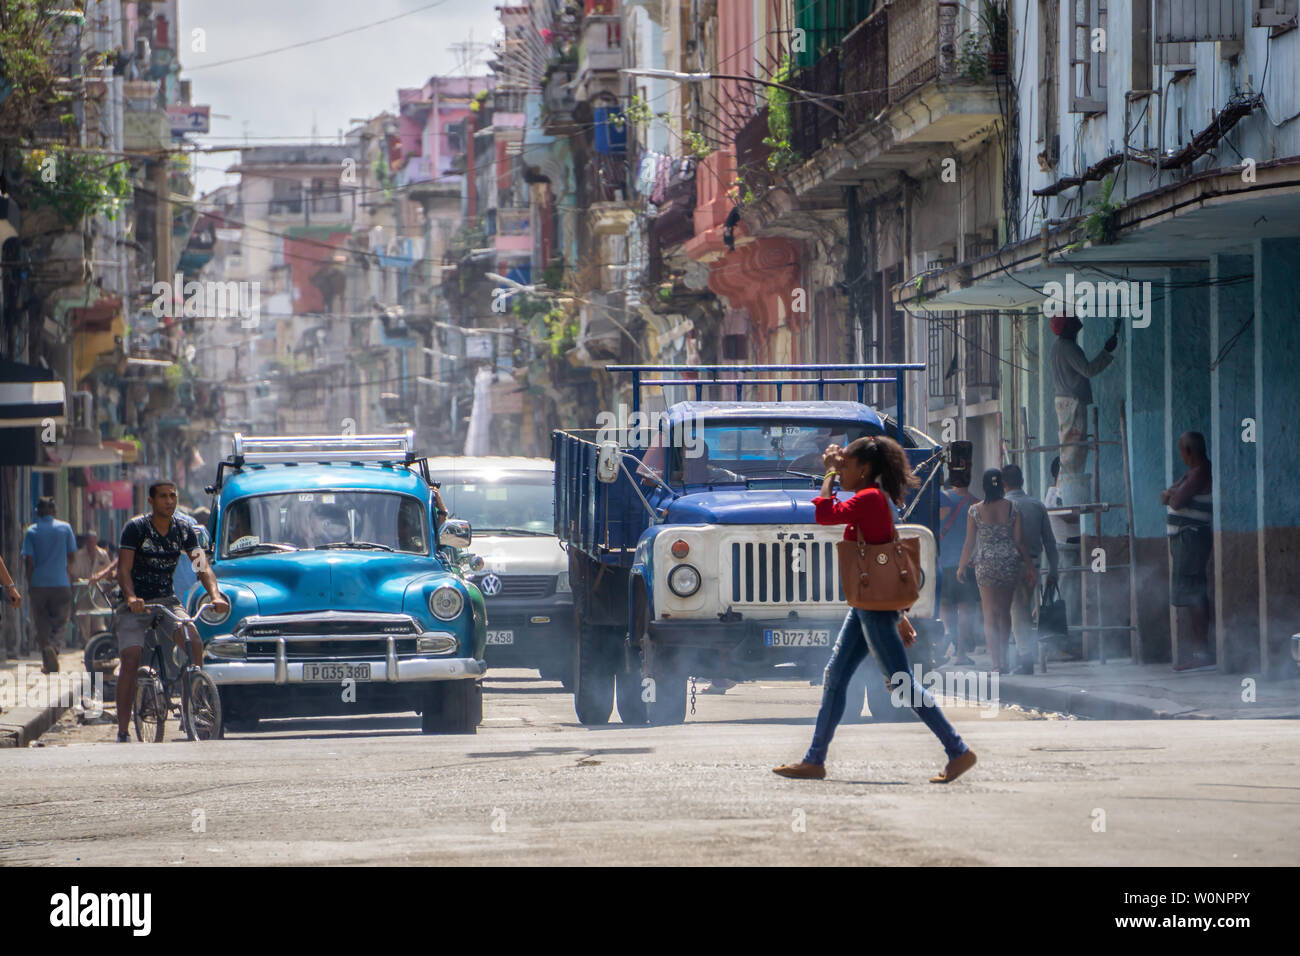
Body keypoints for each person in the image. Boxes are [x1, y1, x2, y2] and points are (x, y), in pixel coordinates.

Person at [773, 435, 977, 784]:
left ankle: (957, 750)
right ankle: (814, 759)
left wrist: (828, 476)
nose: (842, 473)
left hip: (871, 606)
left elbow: (824, 515)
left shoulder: (868, 498)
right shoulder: (874, 498)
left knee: (902, 682)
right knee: (836, 678)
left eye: (848, 468)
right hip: (867, 604)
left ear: (864, 469)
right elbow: (886, 563)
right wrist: (897, 615)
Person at [115, 480, 229, 743]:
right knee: (131, 658)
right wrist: (132, 598)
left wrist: (215, 595)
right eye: (163, 496)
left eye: (173, 496)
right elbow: (123, 570)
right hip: (136, 603)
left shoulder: (184, 529)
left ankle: (194, 711)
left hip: (167, 601)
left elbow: (203, 567)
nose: (169, 501)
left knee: (193, 642)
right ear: (151, 501)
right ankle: (122, 730)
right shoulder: (136, 528)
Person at [957, 469, 1037, 675]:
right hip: (1009, 562)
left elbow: (969, 542)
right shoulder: (1013, 507)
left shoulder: (974, 511)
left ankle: (996, 664)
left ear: (983, 486)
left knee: (989, 614)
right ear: (1002, 485)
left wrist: (962, 565)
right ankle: (1006, 662)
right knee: (1004, 613)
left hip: (986, 564)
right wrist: (1029, 566)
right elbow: (1020, 541)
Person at [1161, 431, 1213, 672]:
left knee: (1194, 595)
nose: (1181, 456)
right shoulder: (1191, 472)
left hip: (1192, 539)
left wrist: (1173, 494)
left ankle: (1201, 653)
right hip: (1184, 539)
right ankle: (1199, 651)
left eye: (1182, 451)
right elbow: (1168, 495)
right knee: (1192, 593)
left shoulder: (1201, 470)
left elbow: (1175, 500)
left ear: (1189, 451)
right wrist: (1172, 494)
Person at [1002, 463, 1058, 675]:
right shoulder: (1037, 505)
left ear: (1004, 484)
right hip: (1033, 564)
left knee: (1017, 611)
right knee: (1022, 611)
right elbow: (1050, 542)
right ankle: (1021, 656)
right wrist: (1054, 569)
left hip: (1009, 565)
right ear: (1022, 481)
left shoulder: (1001, 506)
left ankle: (1025, 659)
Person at [1051, 312, 1118, 475]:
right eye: (1072, 319)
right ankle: (1071, 486)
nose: (1077, 321)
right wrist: (1106, 351)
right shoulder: (1068, 347)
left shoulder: (1058, 346)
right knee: (1075, 450)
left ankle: (1068, 486)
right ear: (1067, 326)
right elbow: (1088, 370)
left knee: (1070, 448)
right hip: (1072, 402)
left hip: (1064, 401)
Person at [21, 497, 78, 673]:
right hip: (61, 583)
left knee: (42, 624)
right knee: (60, 622)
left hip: (39, 584)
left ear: (37, 512)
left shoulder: (31, 531)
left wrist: (30, 583)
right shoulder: (65, 528)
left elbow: (29, 562)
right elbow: (72, 556)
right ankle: (54, 648)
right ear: (54, 511)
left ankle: (47, 660)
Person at [939, 476, 980, 665]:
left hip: (942, 562)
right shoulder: (976, 503)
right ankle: (961, 654)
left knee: (945, 605)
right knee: (965, 610)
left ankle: (948, 635)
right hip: (967, 564)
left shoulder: (941, 498)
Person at [1042, 457, 1080, 654]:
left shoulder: (1066, 491)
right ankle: (1064, 641)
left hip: (1074, 548)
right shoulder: (1055, 493)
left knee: (1072, 594)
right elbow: (1069, 515)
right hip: (1065, 549)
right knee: (1067, 595)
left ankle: (1070, 639)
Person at [69, 530, 113, 646]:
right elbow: (73, 573)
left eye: (93, 541)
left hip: (99, 593)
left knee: (98, 621)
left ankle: (98, 645)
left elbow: (109, 572)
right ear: (85, 542)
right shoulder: (78, 555)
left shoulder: (103, 554)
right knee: (84, 620)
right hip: (83, 593)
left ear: (96, 541)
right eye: (89, 541)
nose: (91, 544)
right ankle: (86, 643)